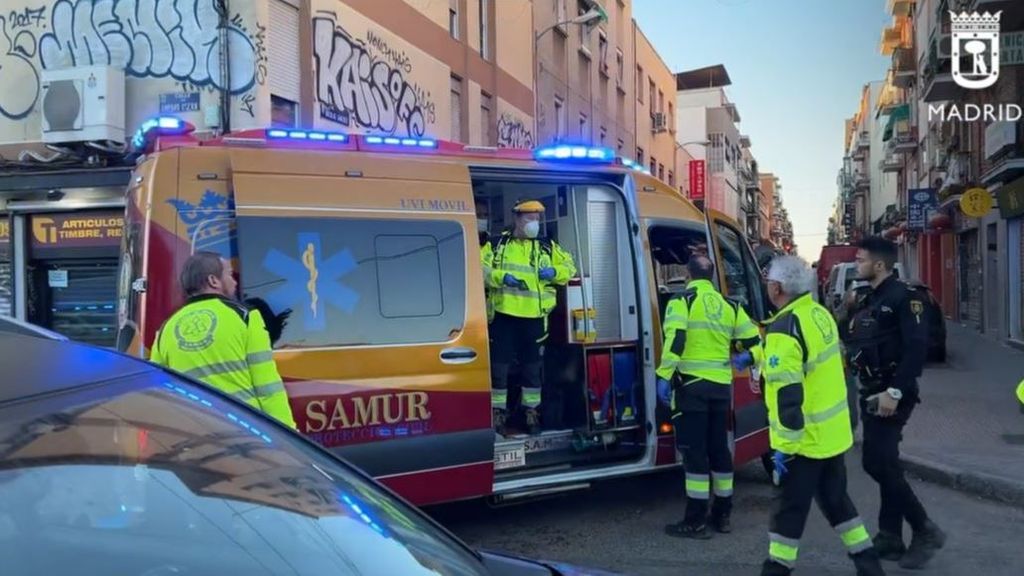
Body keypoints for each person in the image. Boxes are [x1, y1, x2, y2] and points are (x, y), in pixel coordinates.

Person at [757, 255, 885, 576]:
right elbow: (819, 362)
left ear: (777, 288)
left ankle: (776, 570)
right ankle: (869, 564)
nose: (767, 287)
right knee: (837, 503)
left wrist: (783, 450)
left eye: (768, 282)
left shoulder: (783, 329)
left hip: (803, 443)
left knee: (788, 514)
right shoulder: (819, 314)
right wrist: (756, 356)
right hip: (832, 436)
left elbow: (788, 397)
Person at [845, 236, 945, 569]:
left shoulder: (906, 298)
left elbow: (917, 349)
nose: (856, 264)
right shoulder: (865, 299)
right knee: (885, 462)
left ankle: (924, 528)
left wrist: (895, 393)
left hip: (892, 393)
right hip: (870, 390)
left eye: (860, 260)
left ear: (879, 265)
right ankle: (889, 536)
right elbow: (853, 338)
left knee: (877, 463)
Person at [657, 255, 761, 538]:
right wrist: (747, 357)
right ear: (712, 276)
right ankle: (723, 515)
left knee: (694, 453)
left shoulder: (683, 301)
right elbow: (756, 343)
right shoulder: (731, 306)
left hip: (691, 387)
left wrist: (664, 375)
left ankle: (695, 521)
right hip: (720, 389)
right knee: (719, 450)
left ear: (688, 274)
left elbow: (676, 340)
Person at [151, 251, 297, 429]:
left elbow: (159, 393)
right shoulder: (245, 316)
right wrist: (287, 435)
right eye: (229, 274)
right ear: (214, 281)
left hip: (194, 435)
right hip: (244, 430)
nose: (234, 281)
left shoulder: (166, 329)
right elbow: (268, 387)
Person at [481, 200, 576, 435]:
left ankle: (531, 413)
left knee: (532, 371)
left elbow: (569, 267)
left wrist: (556, 272)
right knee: (499, 371)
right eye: (529, 218)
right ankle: (497, 414)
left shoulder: (546, 246)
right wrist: (502, 277)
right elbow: (480, 270)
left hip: (534, 319)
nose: (534, 223)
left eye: (537, 219)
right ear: (517, 218)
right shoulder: (497, 244)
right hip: (503, 317)